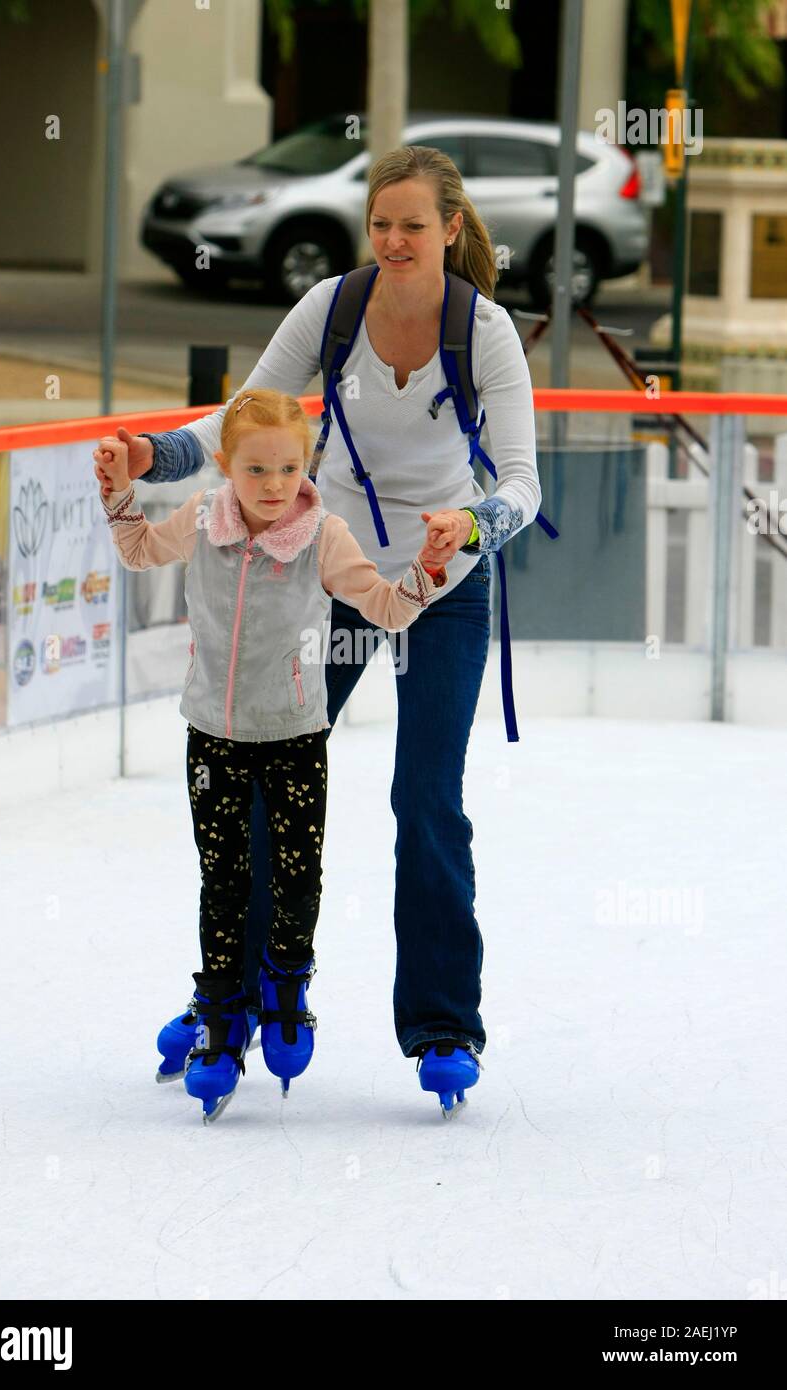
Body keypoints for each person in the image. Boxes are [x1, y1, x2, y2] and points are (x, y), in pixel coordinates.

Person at [94, 144, 541, 1115]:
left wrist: (470, 523)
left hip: (440, 587)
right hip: (324, 572)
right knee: (261, 773)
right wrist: (153, 454)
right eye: (380, 224)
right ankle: (230, 998)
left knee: (425, 799)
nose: (392, 241)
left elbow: (521, 483)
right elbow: (239, 423)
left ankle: (441, 1025)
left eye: (412, 226)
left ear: (450, 230)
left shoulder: (485, 333)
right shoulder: (333, 309)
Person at [93, 387, 447, 1121]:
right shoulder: (201, 522)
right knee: (222, 884)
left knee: (295, 877)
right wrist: (119, 490)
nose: (274, 486)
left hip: (293, 736)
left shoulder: (323, 535)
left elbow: (383, 608)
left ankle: (287, 982)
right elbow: (134, 551)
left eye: (288, 469)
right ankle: (222, 1027)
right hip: (212, 736)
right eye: (256, 471)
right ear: (223, 465)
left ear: (306, 463)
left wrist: (428, 570)